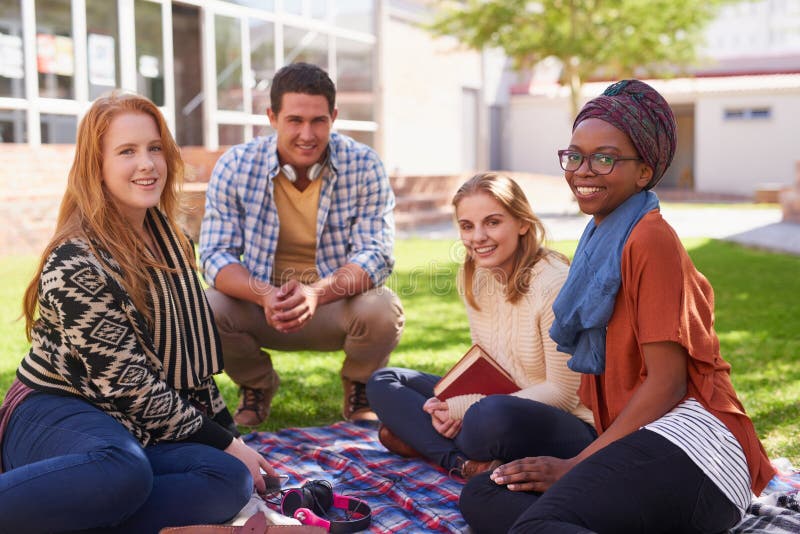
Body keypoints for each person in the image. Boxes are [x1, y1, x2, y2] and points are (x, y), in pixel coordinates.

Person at [459, 80, 775, 534]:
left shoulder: (650, 238)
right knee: (484, 495)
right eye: (575, 156)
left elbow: (667, 386)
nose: (583, 171)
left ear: (644, 172)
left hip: (700, 452)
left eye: (605, 158)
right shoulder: (599, 238)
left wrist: (576, 466)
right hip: (640, 440)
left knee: (537, 522)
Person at [0, 92, 274, 533]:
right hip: (57, 410)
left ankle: (59, 516)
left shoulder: (173, 241)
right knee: (123, 471)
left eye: (154, 148)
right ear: (97, 166)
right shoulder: (75, 261)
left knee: (228, 479)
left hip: (128, 427)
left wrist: (233, 444)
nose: (147, 164)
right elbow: (127, 385)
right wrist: (225, 440)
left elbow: (192, 372)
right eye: (127, 151)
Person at [200, 62, 404, 426]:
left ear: (334, 117)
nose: (307, 134)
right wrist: (263, 294)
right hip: (263, 304)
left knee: (383, 308)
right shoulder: (235, 166)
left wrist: (316, 294)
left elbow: (377, 254)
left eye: (318, 121)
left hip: (333, 304)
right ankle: (257, 385)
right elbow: (216, 256)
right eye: (295, 120)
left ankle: (359, 386)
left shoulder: (364, 164)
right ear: (272, 117)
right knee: (205, 306)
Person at [367, 173, 596, 479]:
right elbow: (486, 364)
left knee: (485, 419)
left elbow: (563, 394)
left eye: (492, 222)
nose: (477, 237)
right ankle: (464, 464)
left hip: (565, 422)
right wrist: (450, 405)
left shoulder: (554, 284)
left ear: (522, 223)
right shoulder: (475, 274)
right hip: (502, 399)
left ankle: (426, 442)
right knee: (384, 381)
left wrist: (466, 408)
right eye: (467, 226)